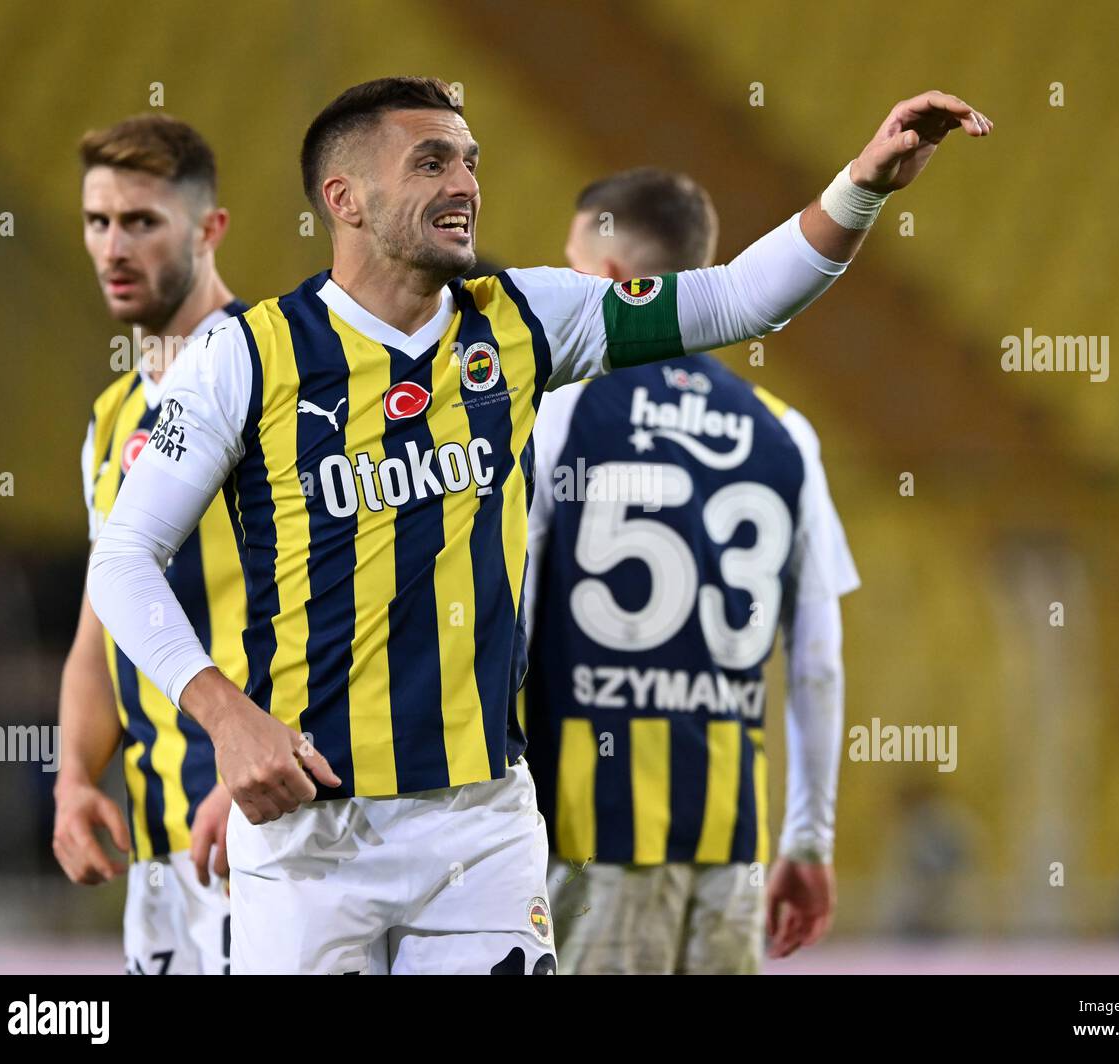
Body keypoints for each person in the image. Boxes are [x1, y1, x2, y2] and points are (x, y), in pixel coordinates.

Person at [86, 76, 991, 974]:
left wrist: (864, 184)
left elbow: (740, 299)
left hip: (481, 829)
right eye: (431, 162)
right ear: (345, 198)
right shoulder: (246, 356)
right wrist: (227, 719)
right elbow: (125, 558)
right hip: (309, 829)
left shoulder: (522, 317)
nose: (465, 185)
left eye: (470, 163)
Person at [522, 167, 859, 973]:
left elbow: (512, 624)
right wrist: (807, 840)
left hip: (582, 834)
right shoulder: (786, 434)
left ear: (606, 279)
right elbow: (816, 661)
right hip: (729, 842)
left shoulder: (559, 412)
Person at [53, 115, 248, 974]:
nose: (113, 247)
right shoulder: (109, 420)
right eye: (98, 222)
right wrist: (72, 778)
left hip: (271, 830)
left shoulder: (273, 382)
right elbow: (101, 625)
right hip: (162, 847)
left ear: (210, 229)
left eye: (142, 222)